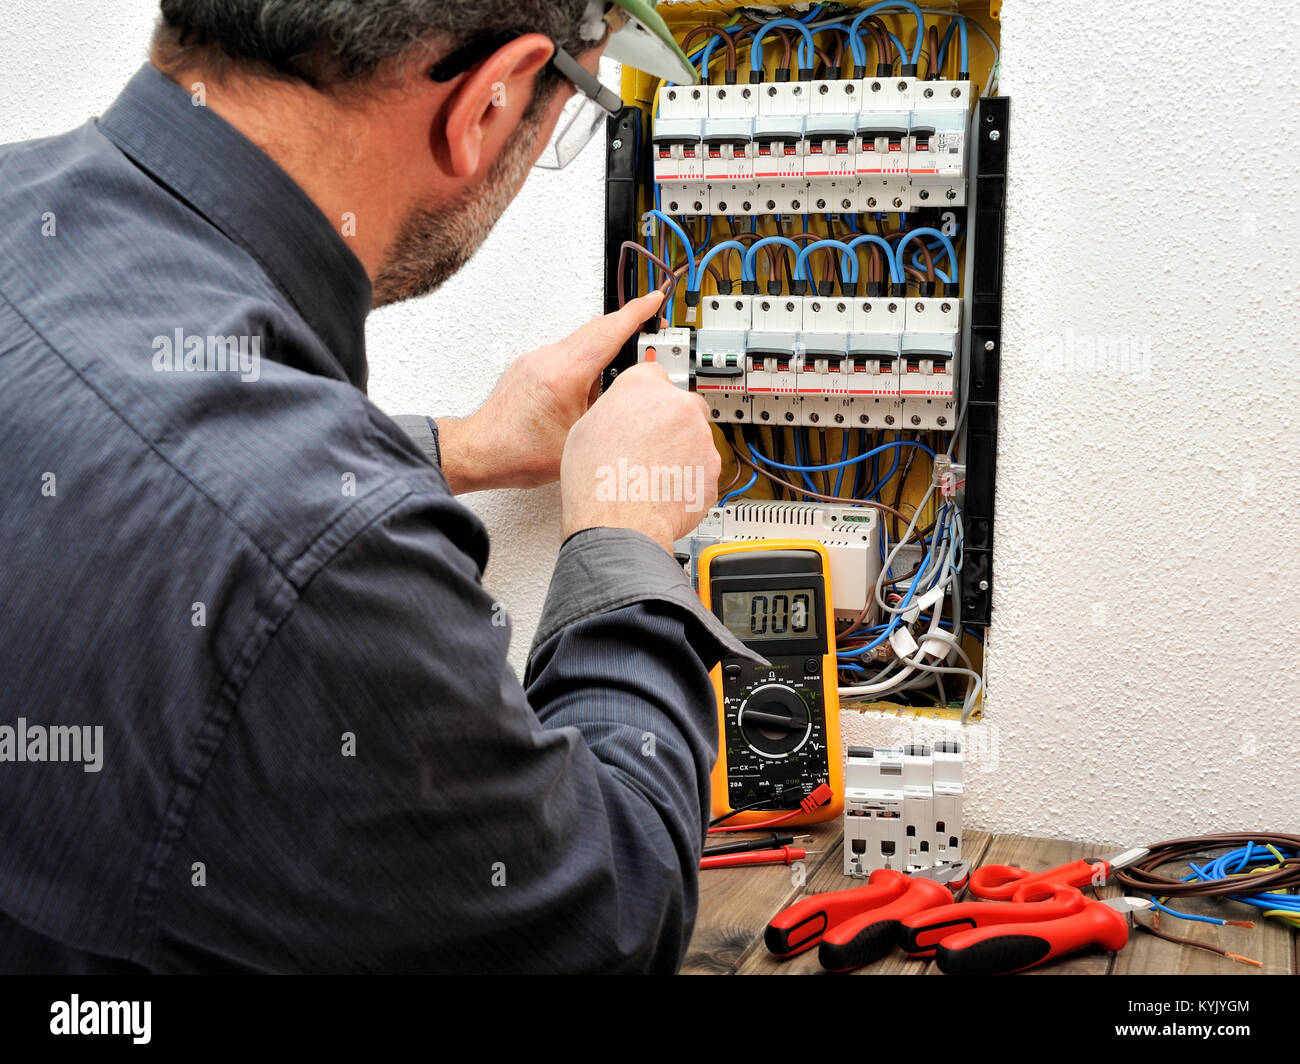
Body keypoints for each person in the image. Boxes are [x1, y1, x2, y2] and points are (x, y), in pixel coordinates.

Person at [0, 0, 754, 973]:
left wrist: (462, 447)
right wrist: (623, 535)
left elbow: (121, 438)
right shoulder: (327, 562)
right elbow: (602, 922)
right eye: (567, 103)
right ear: (485, 105)